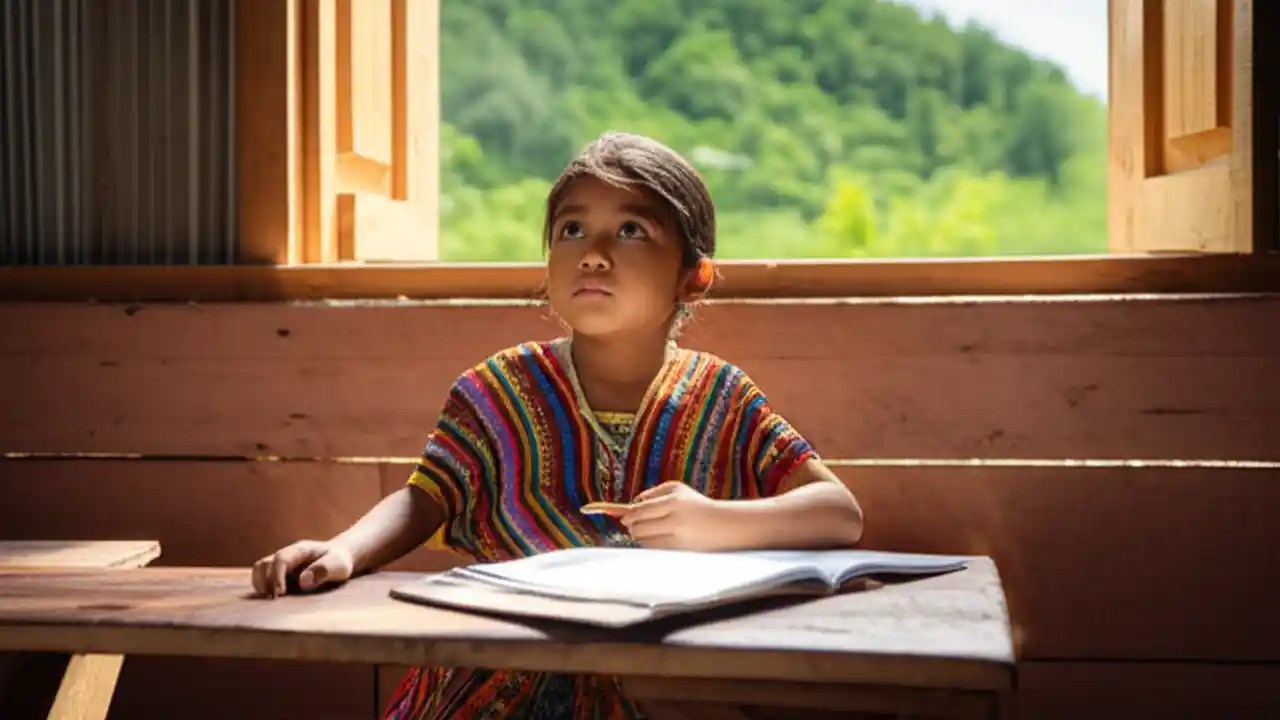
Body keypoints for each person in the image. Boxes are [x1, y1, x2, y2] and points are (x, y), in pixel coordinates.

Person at [251, 131, 864, 719]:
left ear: (692, 278)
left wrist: (711, 520)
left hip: (668, 686)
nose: (593, 252)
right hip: (488, 681)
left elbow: (838, 511)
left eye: (631, 230)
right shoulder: (497, 390)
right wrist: (342, 551)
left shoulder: (722, 399)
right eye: (571, 229)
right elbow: (424, 498)